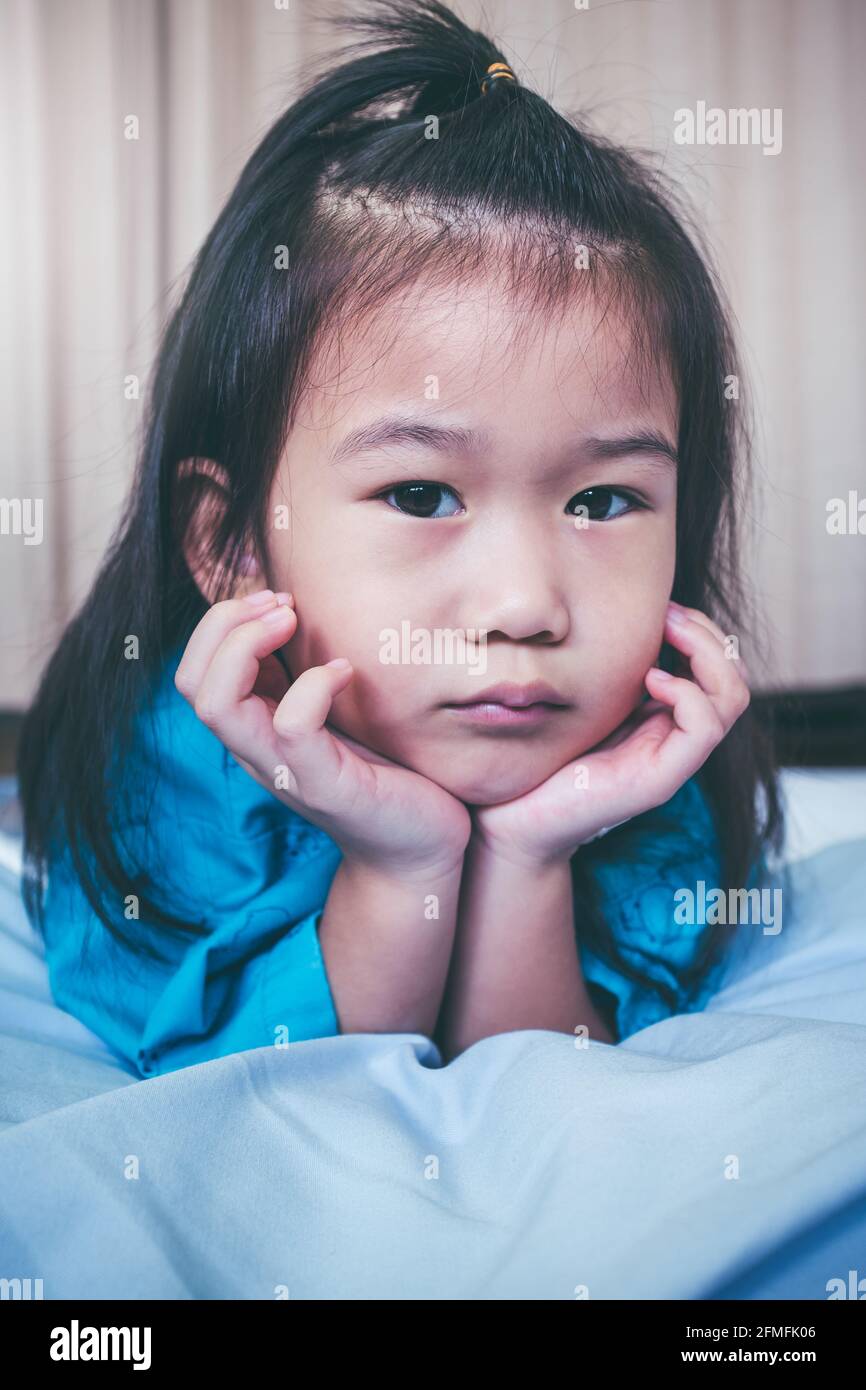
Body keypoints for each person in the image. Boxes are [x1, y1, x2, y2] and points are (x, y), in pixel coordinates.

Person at [16, 0, 783, 1077]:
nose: (523, 605)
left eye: (602, 502)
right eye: (421, 495)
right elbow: (247, 1103)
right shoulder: (160, 791)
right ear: (232, 542)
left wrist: (526, 855)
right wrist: (398, 861)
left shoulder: (661, 790)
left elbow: (546, 1083)